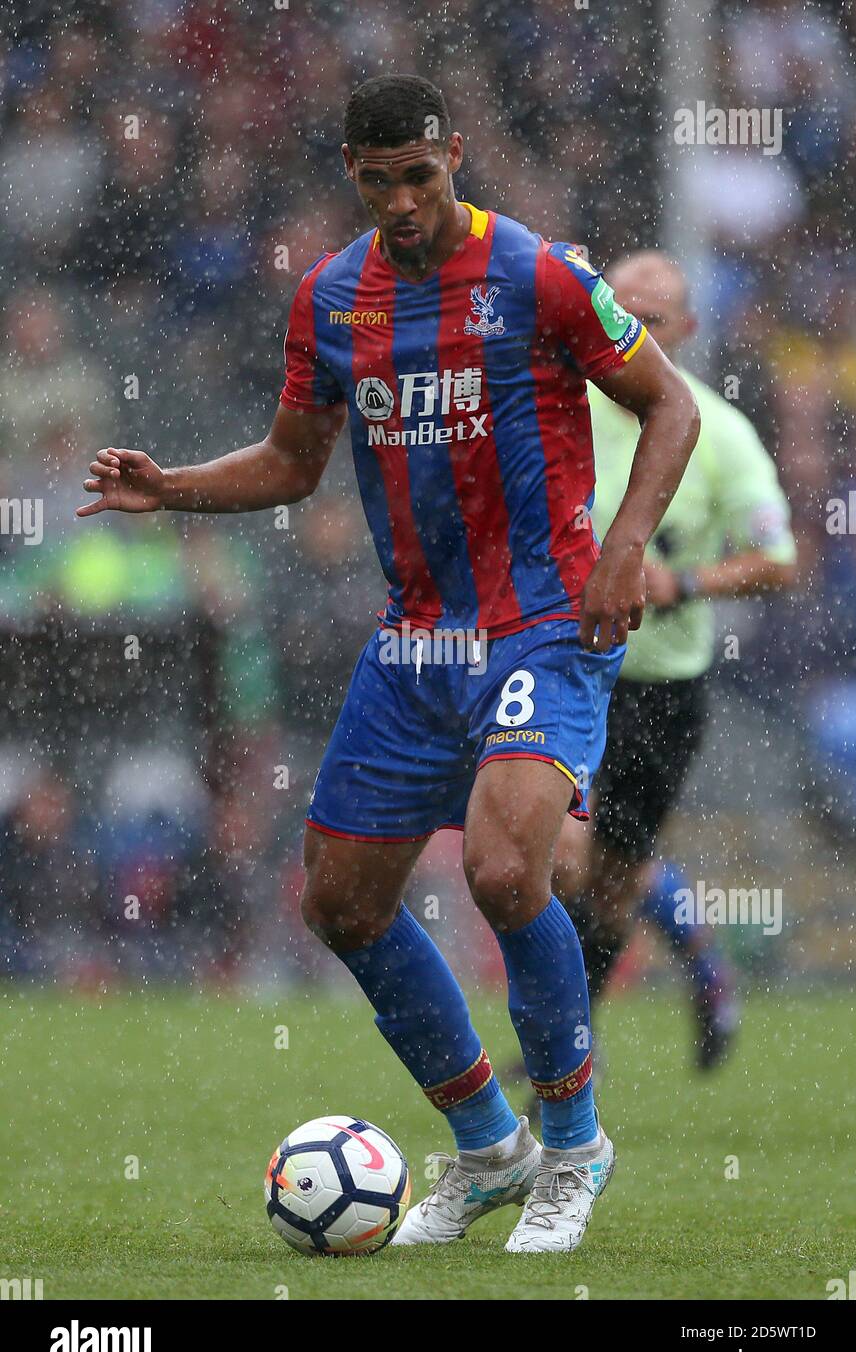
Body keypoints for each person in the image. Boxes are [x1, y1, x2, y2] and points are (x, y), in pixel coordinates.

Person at [76, 75, 699, 1254]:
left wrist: (625, 551)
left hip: (541, 623)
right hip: (415, 642)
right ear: (353, 175)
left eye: (421, 175)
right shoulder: (333, 298)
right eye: (379, 180)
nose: (404, 200)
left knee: (509, 873)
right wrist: (173, 491)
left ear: (453, 156)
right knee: (339, 901)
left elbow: (668, 410)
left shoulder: (539, 273)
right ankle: (487, 1146)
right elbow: (290, 461)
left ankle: (573, 1144)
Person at [550, 252, 797, 1067]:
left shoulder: (718, 433)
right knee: (557, 859)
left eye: (654, 318)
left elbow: (780, 558)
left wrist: (682, 580)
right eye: (621, 313)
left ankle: (578, 1038)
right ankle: (564, 1041)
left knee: (613, 881)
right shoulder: (559, 409)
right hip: (562, 671)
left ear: (686, 329)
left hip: (660, 689)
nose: (635, 332)